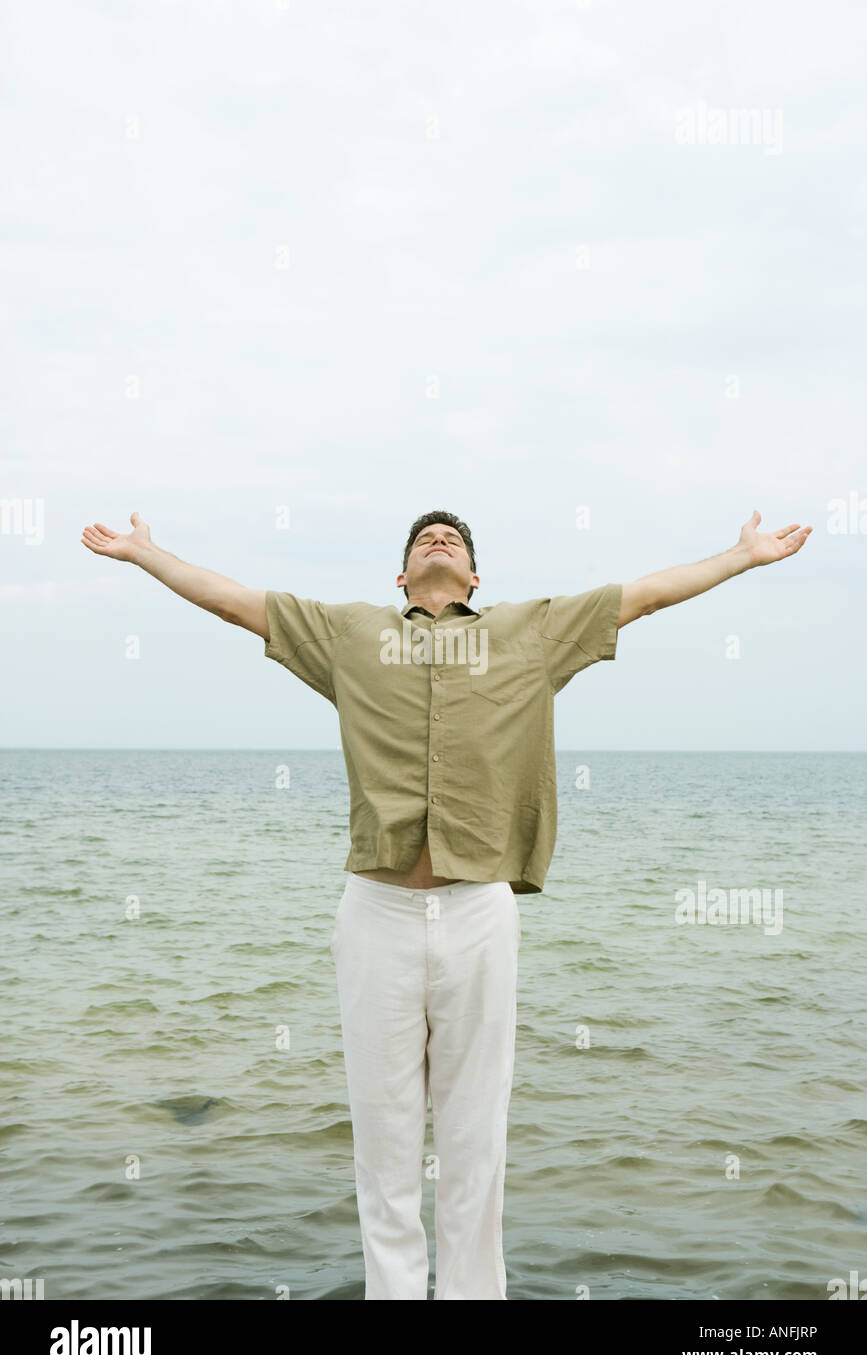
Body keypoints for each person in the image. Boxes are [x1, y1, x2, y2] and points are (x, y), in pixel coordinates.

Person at [81, 505, 812, 1299]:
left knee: (474, 1139)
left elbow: (643, 596)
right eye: (423, 538)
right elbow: (232, 600)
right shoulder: (346, 635)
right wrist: (147, 555)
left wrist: (740, 557)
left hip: (478, 914)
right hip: (375, 914)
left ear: (473, 576)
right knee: (384, 1141)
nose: (439, 540)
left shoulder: (529, 632)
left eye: (454, 539)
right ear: (400, 575)